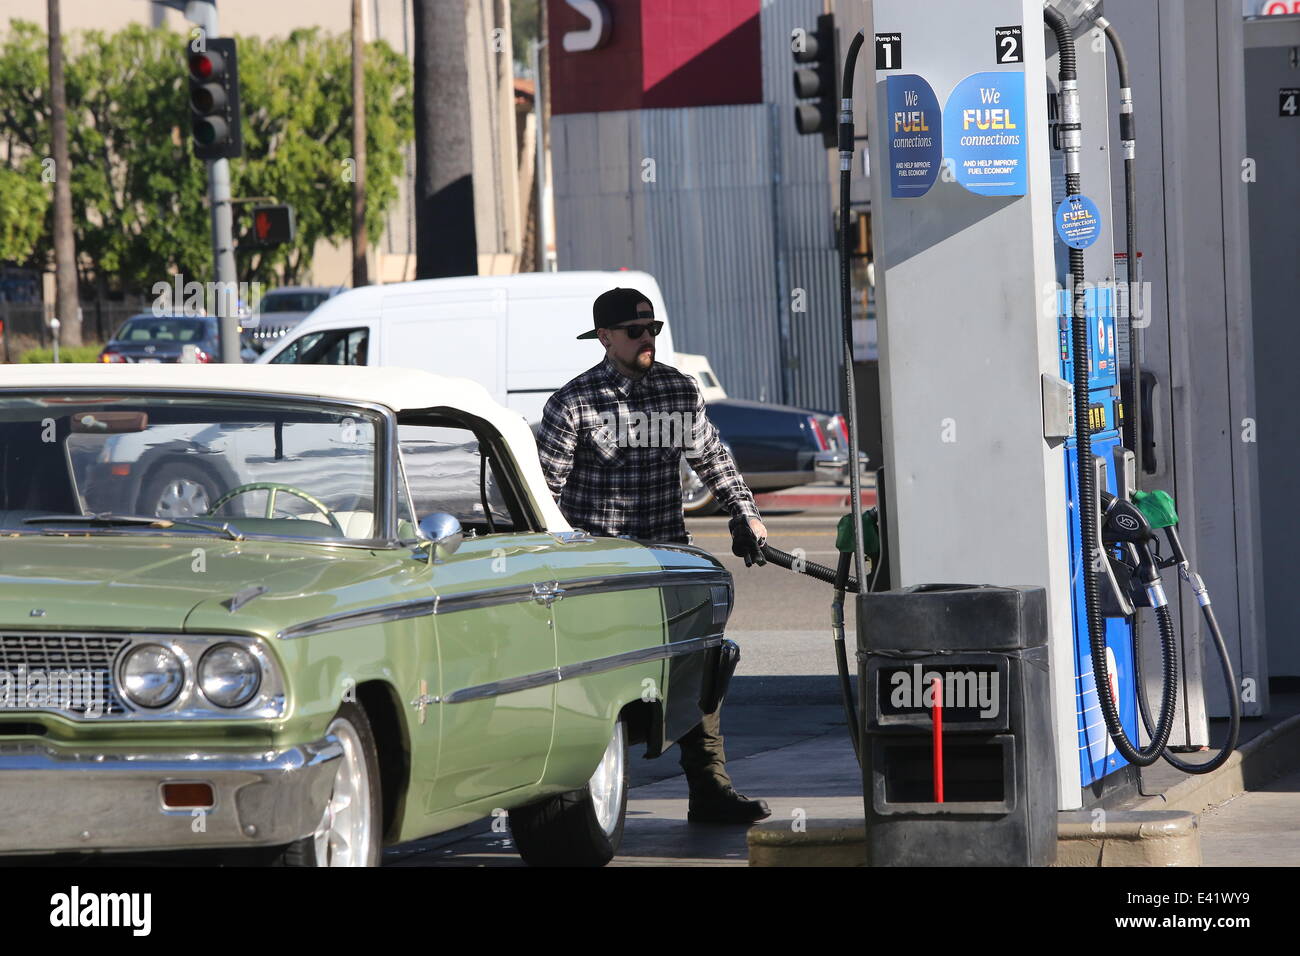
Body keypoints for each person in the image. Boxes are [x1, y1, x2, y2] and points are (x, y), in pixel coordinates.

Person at [535, 286, 771, 825]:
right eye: (635, 331)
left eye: (653, 329)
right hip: (599, 569)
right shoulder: (574, 403)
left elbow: (712, 458)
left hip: (667, 558)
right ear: (604, 337)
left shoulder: (677, 389)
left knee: (699, 665)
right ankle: (579, 801)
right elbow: (543, 494)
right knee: (599, 680)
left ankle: (709, 790)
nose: (648, 340)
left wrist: (746, 513)